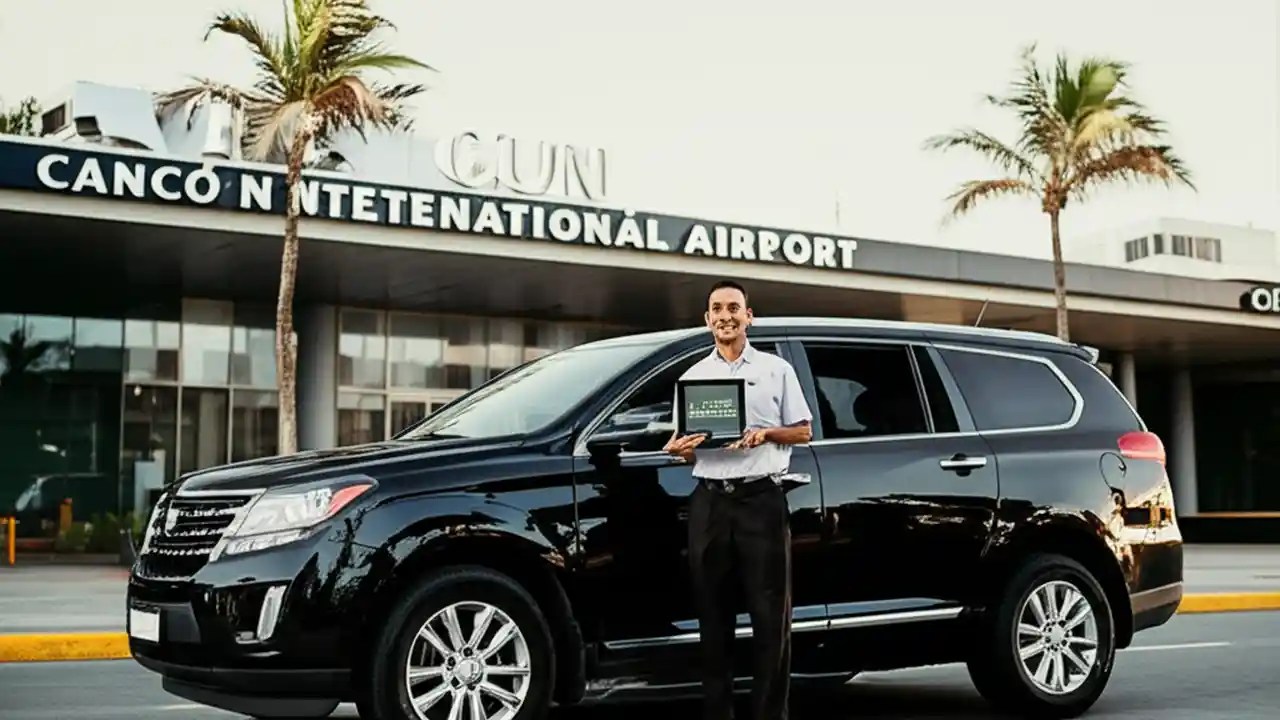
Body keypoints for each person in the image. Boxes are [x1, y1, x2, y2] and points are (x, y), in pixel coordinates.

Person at [664, 279, 813, 720]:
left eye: (734, 307)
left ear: (749, 316)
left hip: (760, 501)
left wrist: (765, 433)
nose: (725, 315)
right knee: (712, 621)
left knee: (771, 622)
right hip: (710, 504)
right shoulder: (692, 378)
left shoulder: (775, 370)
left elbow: (804, 430)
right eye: (717, 308)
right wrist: (677, 449)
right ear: (706, 319)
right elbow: (685, 446)